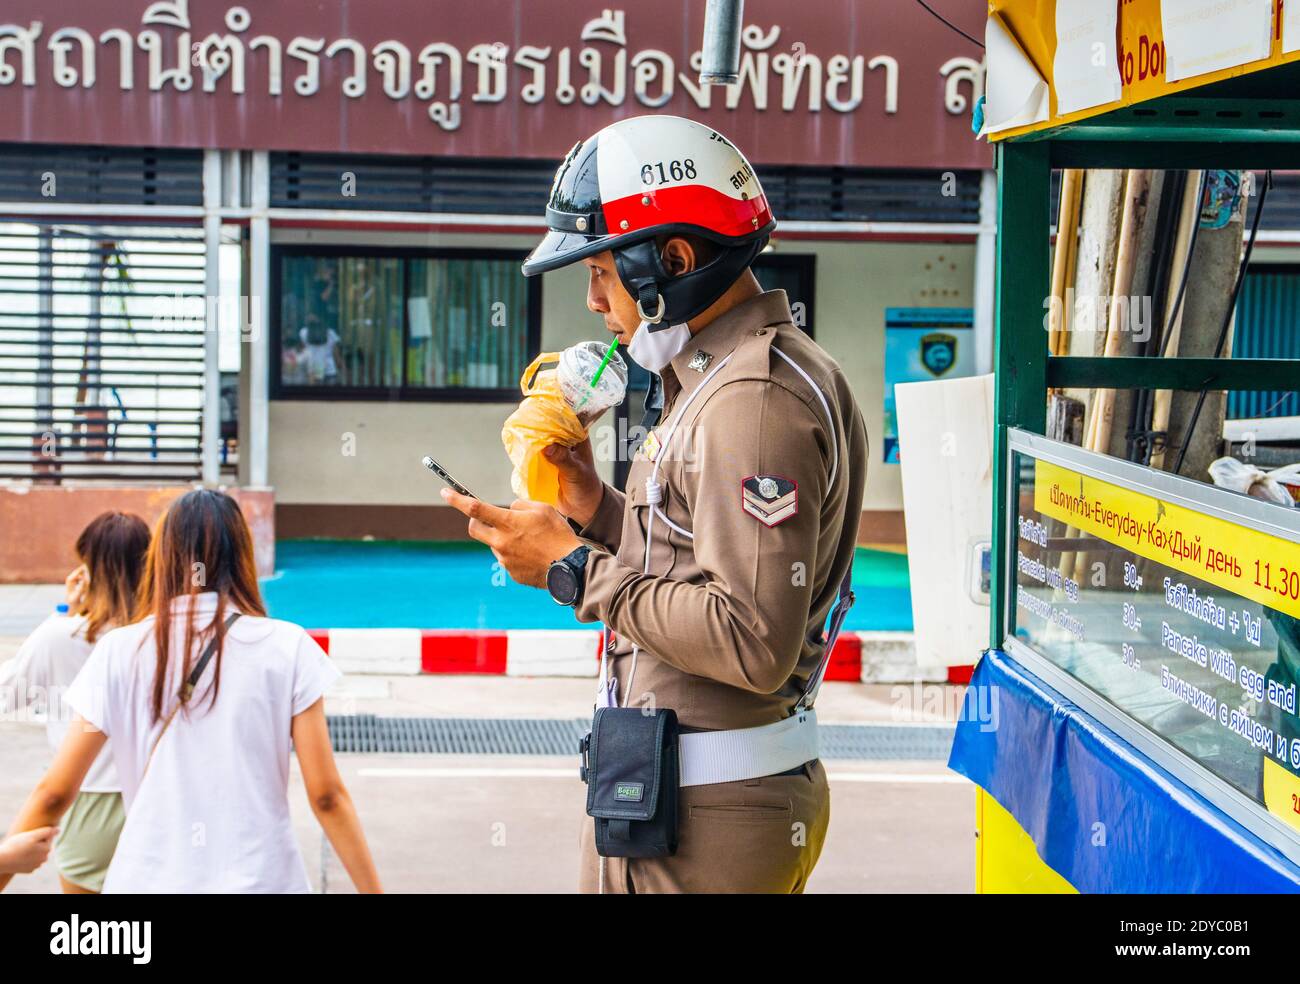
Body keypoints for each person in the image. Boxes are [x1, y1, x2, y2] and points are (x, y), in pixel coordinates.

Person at [442, 115, 868, 893]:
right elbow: (693, 556)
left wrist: (574, 569)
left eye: (603, 272)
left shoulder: (754, 400)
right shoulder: (720, 380)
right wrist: (594, 504)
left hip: (708, 810)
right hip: (675, 796)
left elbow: (753, 639)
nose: (594, 300)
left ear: (671, 260)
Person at [0, 490, 381, 894]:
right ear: (243, 555)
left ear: (163, 556)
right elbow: (326, 797)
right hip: (264, 881)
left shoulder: (120, 650)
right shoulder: (287, 646)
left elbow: (55, 792)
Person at [0, 510, 149, 893]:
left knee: (88, 937)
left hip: (88, 800)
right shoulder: (161, 636)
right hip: (158, 798)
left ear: (88, 570)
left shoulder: (62, 636)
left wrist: (62, 612)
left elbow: (7, 693)